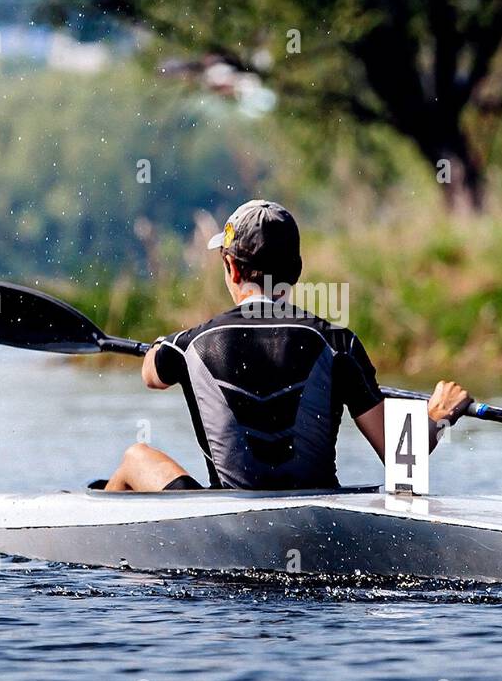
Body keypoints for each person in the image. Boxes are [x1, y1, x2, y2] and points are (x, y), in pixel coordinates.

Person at [105, 200, 472, 491]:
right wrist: (437, 416)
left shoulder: (190, 345)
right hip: (317, 523)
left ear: (232, 268)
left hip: (226, 524)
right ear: (295, 271)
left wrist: (161, 345)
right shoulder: (337, 344)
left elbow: (151, 374)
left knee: (137, 456)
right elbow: (400, 457)